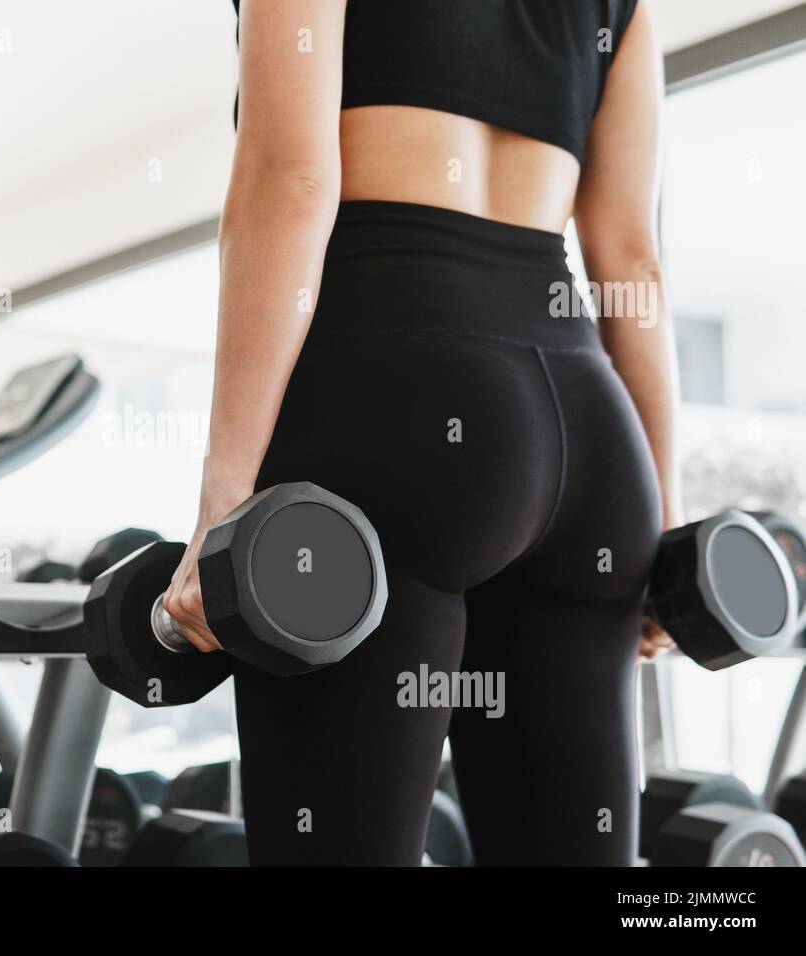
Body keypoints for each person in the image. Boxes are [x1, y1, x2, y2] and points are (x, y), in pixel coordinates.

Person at [163, 0, 678, 865]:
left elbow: (290, 181)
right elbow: (632, 260)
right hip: (592, 439)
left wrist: (225, 501)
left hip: (392, 396)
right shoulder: (623, 11)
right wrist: (660, 531)